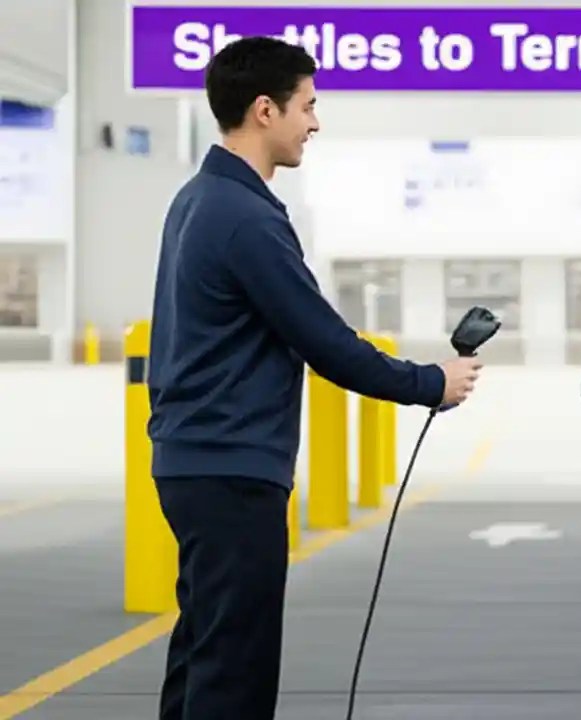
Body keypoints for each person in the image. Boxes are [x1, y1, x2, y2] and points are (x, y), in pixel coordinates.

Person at [145, 36, 482, 720]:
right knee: (233, 673)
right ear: (264, 110)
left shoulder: (198, 198)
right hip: (231, 469)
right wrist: (429, 382)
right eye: (308, 105)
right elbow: (324, 341)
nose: (316, 122)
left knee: (204, 655)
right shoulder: (243, 218)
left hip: (194, 462)